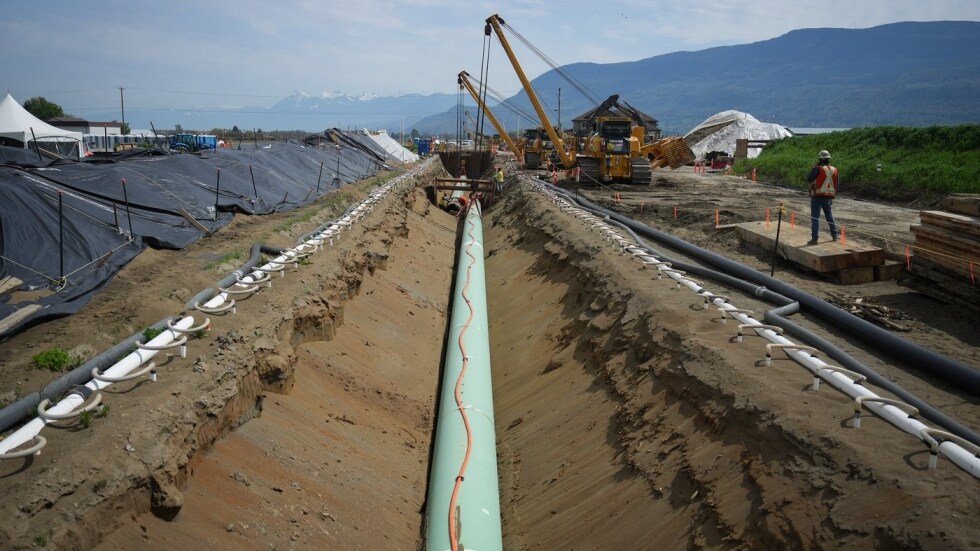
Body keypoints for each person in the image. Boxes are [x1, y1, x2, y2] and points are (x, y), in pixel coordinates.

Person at [805, 149, 838, 245]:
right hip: (828, 197)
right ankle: (835, 236)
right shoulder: (834, 169)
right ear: (829, 159)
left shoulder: (818, 168)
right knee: (829, 216)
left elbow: (809, 178)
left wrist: (814, 168)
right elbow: (836, 184)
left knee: (815, 218)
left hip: (817, 196)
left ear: (820, 159)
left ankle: (814, 239)